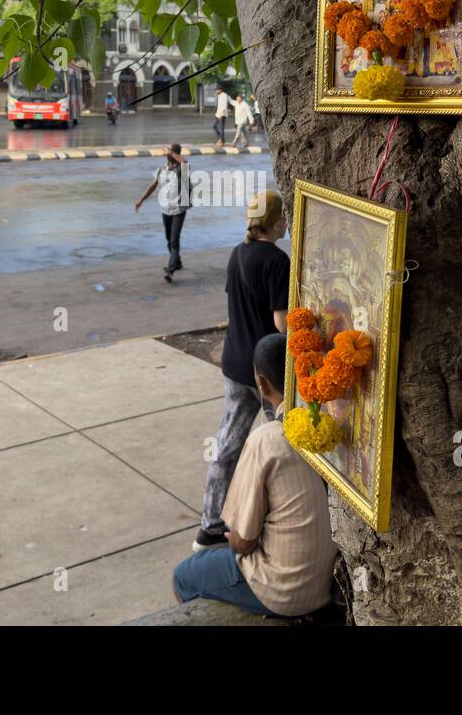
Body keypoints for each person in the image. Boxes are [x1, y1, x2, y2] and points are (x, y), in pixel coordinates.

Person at [173, 333, 337, 618]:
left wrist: (232, 537)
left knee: (185, 575)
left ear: (261, 383)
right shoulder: (325, 424)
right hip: (329, 583)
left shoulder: (266, 440)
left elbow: (244, 541)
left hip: (284, 592)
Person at [195, 190, 289, 550]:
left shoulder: (237, 254)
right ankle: (270, 520)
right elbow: (281, 324)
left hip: (235, 363)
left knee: (227, 444)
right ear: (277, 222)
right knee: (275, 449)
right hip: (266, 370)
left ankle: (210, 523)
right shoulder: (277, 262)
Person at [134, 143, 189, 282]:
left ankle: (170, 271)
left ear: (175, 154)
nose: (166, 154)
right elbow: (153, 185)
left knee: (174, 240)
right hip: (165, 208)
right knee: (168, 239)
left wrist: (171, 153)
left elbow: (185, 162)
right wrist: (141, 199)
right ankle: (177, 262)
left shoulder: (181, 169)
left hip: (178, 209)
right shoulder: (162, 169)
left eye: (170, 152)